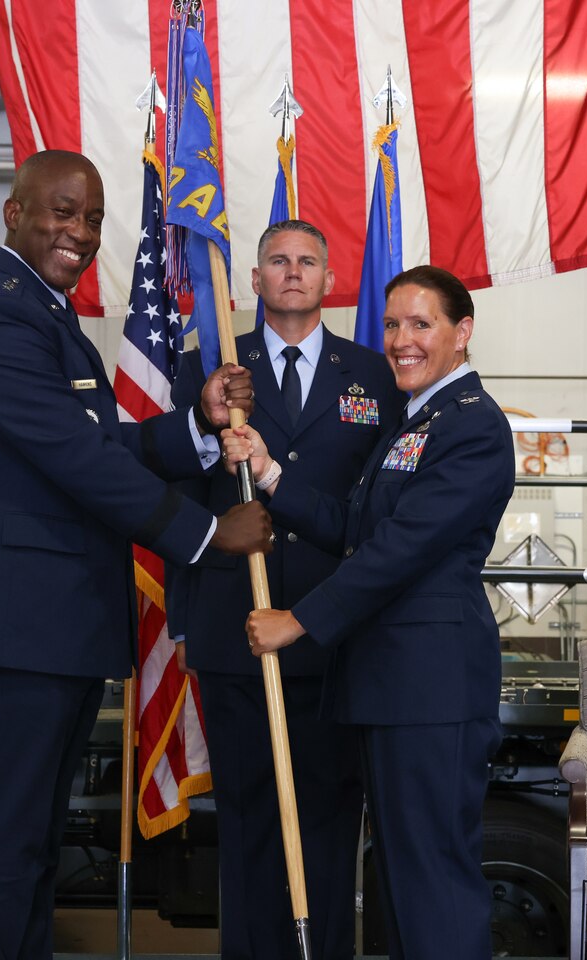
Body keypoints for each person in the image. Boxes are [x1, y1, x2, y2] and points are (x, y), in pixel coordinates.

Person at [0, 149, 273, 960]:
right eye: (62, 212)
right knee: (2, 846)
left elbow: (102, 440)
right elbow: (77, 461)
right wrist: (207, 535)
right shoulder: (0, 320)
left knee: (31, 847)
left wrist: (197, 423)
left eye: (91, 219)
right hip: (18, 631)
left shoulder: (44, 314)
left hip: (50, 630)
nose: (79, 233)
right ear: (14, 213)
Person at [226, 265, 515, 960]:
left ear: (462, 332)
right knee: (405, 885)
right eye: (391, 324)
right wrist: (270, 474)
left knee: (433, 882)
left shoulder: (473, 425)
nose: (401, 340)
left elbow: (402, 548)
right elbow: (357, 529)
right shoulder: (416, 419)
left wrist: (298, 621)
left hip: (432, 690)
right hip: (391, 686)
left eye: (421, 324)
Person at [167, 219, 405, 960]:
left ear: (329, 278)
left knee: (331, 819)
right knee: (247, 822)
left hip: (336, 632)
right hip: (236, 628)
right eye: (278, 260)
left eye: (307, 261)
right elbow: (176, 497)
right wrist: (183, 621)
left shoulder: (373, 374)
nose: (293, 271)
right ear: (255, 280)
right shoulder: (212, 367)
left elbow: (382, 506)